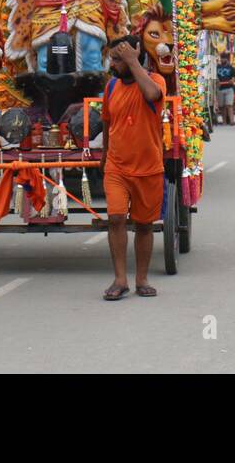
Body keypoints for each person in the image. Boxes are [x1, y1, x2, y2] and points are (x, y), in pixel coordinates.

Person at [100, 36, 167, 301]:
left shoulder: (156, 81)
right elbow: (106, 121)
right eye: (113, 58)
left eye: (118, 59)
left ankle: (142, 279)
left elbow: (152, 95)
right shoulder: (111, 87)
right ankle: (120, 279)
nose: (113, 64)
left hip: (149, 168)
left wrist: (132, 61)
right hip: (117, 167)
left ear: (134, 57)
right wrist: (105, 155)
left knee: (144, 225)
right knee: (115, 218)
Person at [215, 51, 235, 126]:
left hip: (229, 88)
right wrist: (217, 80)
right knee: (222, 106)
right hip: (220, 88)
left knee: (229, 105)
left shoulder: (231, 67)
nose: (223, 60)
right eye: (222, 58)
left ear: (227, 59)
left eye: (224, 58)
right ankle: (224, 121)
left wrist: (232, 80)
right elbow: (215, 76)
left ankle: (232, 121)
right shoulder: (217, 67)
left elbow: (234, 76)